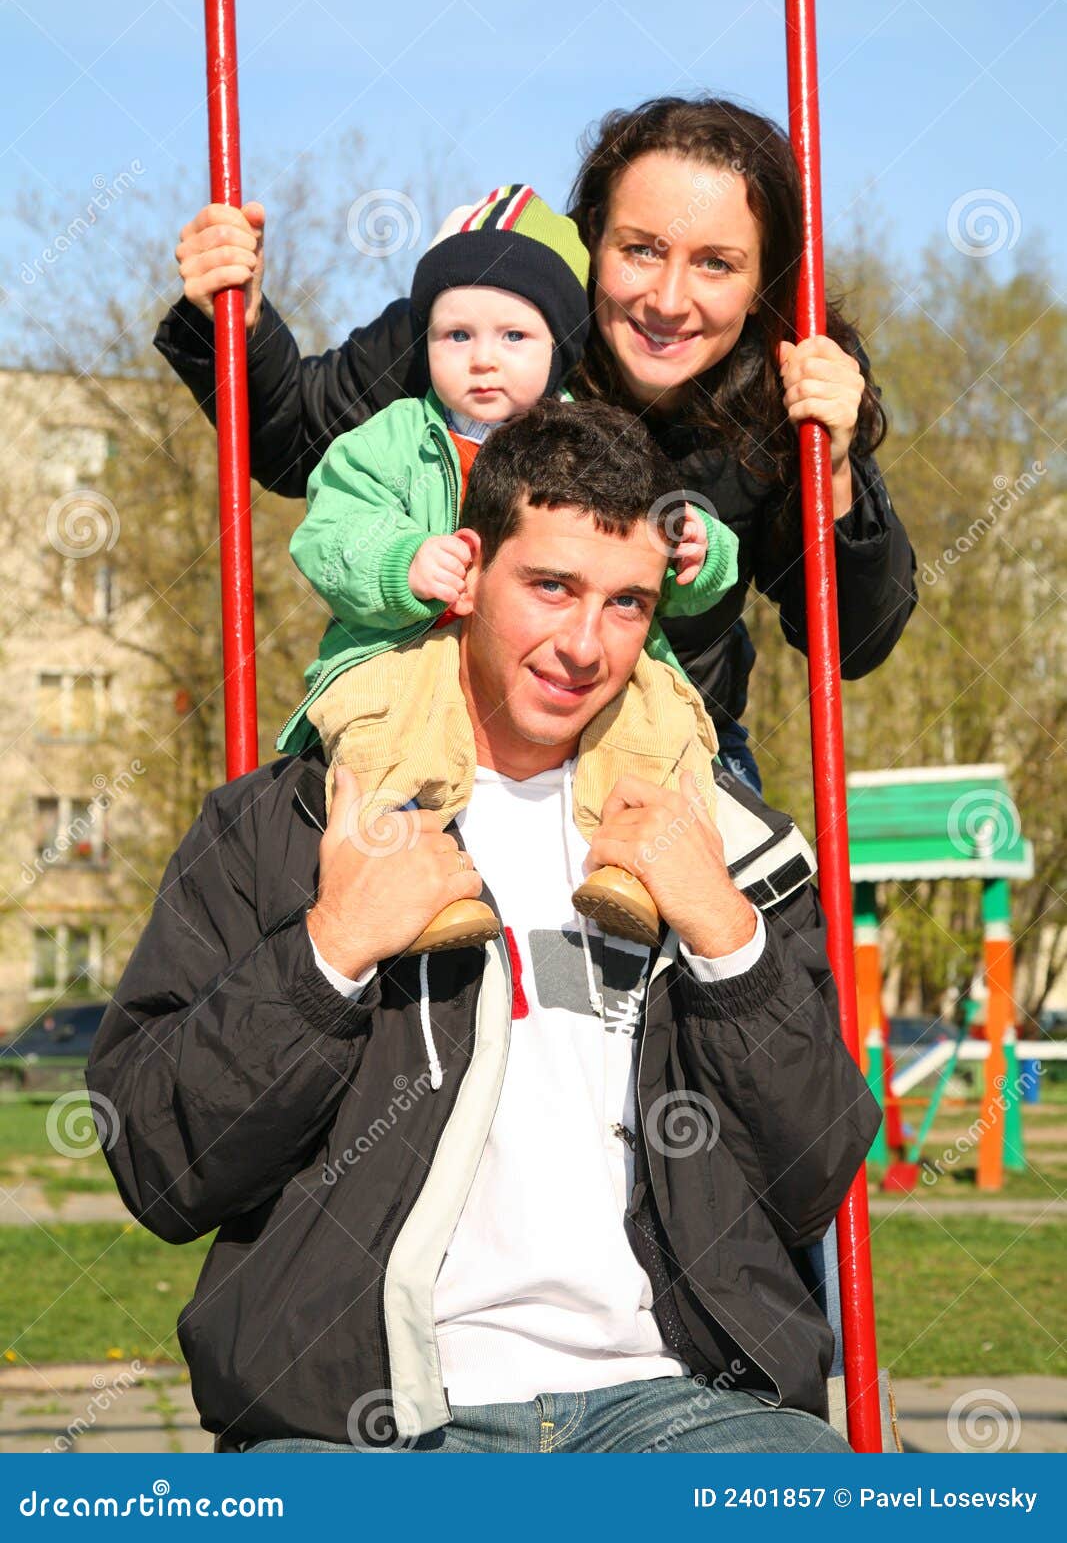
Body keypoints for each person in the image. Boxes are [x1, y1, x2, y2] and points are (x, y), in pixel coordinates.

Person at [88, 402, 882, 1455]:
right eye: (549, 586)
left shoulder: (726, 842)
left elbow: (814, 1166)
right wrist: (327, 952)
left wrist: (728, 943)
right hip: (365, 1422)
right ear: (467, 574)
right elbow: (158, 1160)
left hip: (672, 1403)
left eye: (626, 602)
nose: (584, 644)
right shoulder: (287, 823)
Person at [156, 95, 917, 794]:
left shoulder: (787, 391)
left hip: (657, 755)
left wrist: (836, 462)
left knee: (744, 920)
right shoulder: (496, 319)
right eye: (641, 250)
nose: (667, 299)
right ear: (591, 240)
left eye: (715, 263)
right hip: (442, 736)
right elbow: (295, 441)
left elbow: (853, 640)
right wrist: (235, 319)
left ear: (762, 283)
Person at [282, 182, 739, 954]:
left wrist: (699, 549)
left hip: (556, 668)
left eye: (513, 338)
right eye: (455, 335)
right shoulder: (390, 442)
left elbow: (652, 532)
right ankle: (411, 881)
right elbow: (329, 535)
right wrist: (401, 563)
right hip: (408, 647)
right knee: (385, 729)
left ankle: (634, 867)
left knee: (658, 715)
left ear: (557, 349)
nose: (482, 359)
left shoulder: (594, 441)